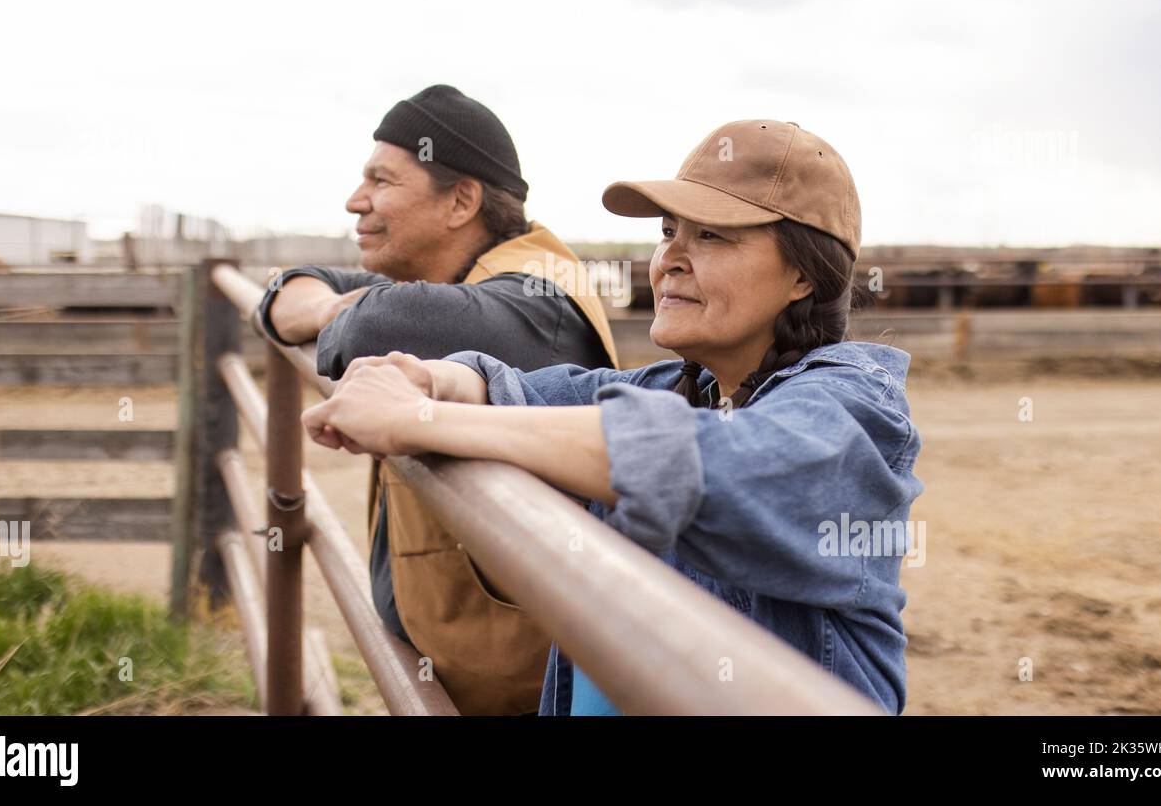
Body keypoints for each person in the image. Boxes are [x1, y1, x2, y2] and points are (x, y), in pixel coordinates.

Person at [302, 118, 924, 715]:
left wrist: (420, 421)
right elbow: (544, 391)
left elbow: (709, 460)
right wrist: (437, 377)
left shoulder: (855, 407)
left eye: (711, 235)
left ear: (801, 273)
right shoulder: (691, 386)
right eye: (668, 232)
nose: (670, 259)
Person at [258, 84, 619, 715]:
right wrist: (321, 306)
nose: (355, 200)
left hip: (524, 693)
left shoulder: (539, 299)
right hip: (464, 671)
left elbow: (372, 325)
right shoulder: (447, 277)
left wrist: (343, 314)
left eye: (382, 180)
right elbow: (283, 291)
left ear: (460, 201)